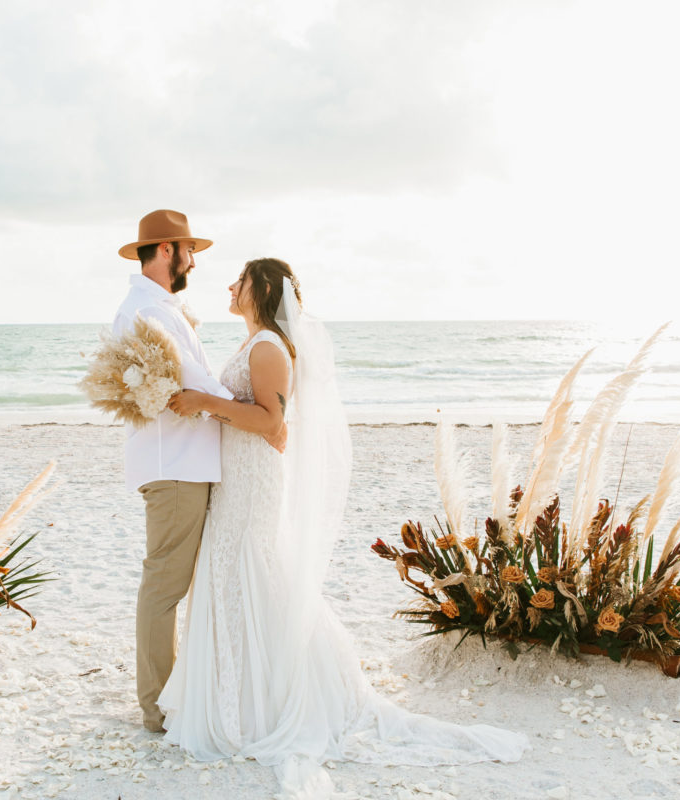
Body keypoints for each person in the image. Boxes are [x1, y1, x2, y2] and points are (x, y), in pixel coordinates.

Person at [161, 258, 529, 797]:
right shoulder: (255, 342)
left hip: (252, 481)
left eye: (239, 279)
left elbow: (270, 422)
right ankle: (236, 693)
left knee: (252, 569)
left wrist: (204, 404)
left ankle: (267, 699)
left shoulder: (267, 348)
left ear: (261, 289)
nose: (230, 286)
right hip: (236, 476)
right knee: (234, 570)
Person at [113, 210, 285, 734]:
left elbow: (199, 389)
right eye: (190, 250)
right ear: (166, 250)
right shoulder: (151, 312)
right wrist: (259, 413)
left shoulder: (160, 308)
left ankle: (180, 693)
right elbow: (194, 385)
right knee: (165, 586)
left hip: (186, 462)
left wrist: (257, 413)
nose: (195, 260)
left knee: (175, 583)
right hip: (177, 466)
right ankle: (157, 707)